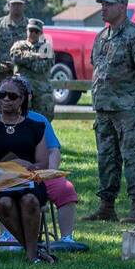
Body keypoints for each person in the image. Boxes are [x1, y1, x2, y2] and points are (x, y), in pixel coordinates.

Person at [84, 0, 135, 225]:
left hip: (128, 108)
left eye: (109, 4)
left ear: (123, 6)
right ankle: (106, 206)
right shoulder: (101, 36)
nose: (103, 8)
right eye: (102, 4)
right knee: (106, 158)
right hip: (104, 107)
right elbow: (97, 66)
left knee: (132, 157)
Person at [0, 76, 52, 263]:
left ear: (22, 99)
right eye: (1, 94)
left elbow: (43, 164)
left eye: (11, 96)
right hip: (1, 183)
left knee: (29, 200)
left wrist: (27, 165)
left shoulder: (35, 127)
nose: (5, 99)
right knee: (3, 203)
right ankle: (35, 251)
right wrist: (10, 164)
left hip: (29, 181)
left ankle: (31, 255)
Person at [26, 108, 88, 253]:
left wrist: (50, 172)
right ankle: (8, 237)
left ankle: (66, 239)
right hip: (7, 175)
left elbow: (53, 150)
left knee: (65, 188)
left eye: (14, 96)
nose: (8, 99)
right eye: (3, 95)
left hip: (38, 172)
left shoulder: (39, 119)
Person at [9, 19, 55, 119]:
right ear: (27, 30)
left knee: (42, 121)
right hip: (22, 91)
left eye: (36, 31)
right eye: (31, 30)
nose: (33, 33)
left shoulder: (47, 48)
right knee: (20, 118)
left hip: (42, 93)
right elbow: (16, 58)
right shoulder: (19, 45)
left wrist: (25, 61)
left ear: (40, 33)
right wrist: (37, 56)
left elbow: (42, 67)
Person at [0, 0, 30, 85]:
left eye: (19, 4)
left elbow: (37, 51)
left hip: (23, 75)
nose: (16, 7)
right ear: (8, 5)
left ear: (24, 6)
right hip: (1, 75)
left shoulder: (31, 27)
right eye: (14, 4)